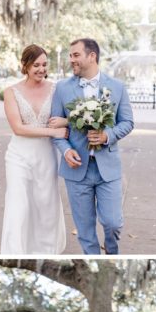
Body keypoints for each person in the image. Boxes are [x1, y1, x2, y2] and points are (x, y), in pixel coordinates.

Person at [48, 37, 134, 256]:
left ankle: (112, 253)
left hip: (108, 168)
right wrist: (66, 150)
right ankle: (94, 260)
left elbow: (127, 122)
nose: (71, 60)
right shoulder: (62, 89)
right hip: (77, 169)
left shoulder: (117, 87)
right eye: (70, 56)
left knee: (113, 223)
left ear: (92, 56)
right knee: (85, 231)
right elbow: (56, 128)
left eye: (76, 55)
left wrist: (107, 135)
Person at [0, 44, 68, 253]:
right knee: (18, 205)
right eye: (36, 65)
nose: (41, 69)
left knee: (45, 204)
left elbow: (70, 119)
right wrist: (52, 132)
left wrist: (64, 122)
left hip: (46, 155)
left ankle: (46, 251)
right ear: (25, 66)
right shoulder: (11, 92)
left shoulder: (57, 89)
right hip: (19, 155)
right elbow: (18, 128)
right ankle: (15, 253)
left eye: (44, 64)